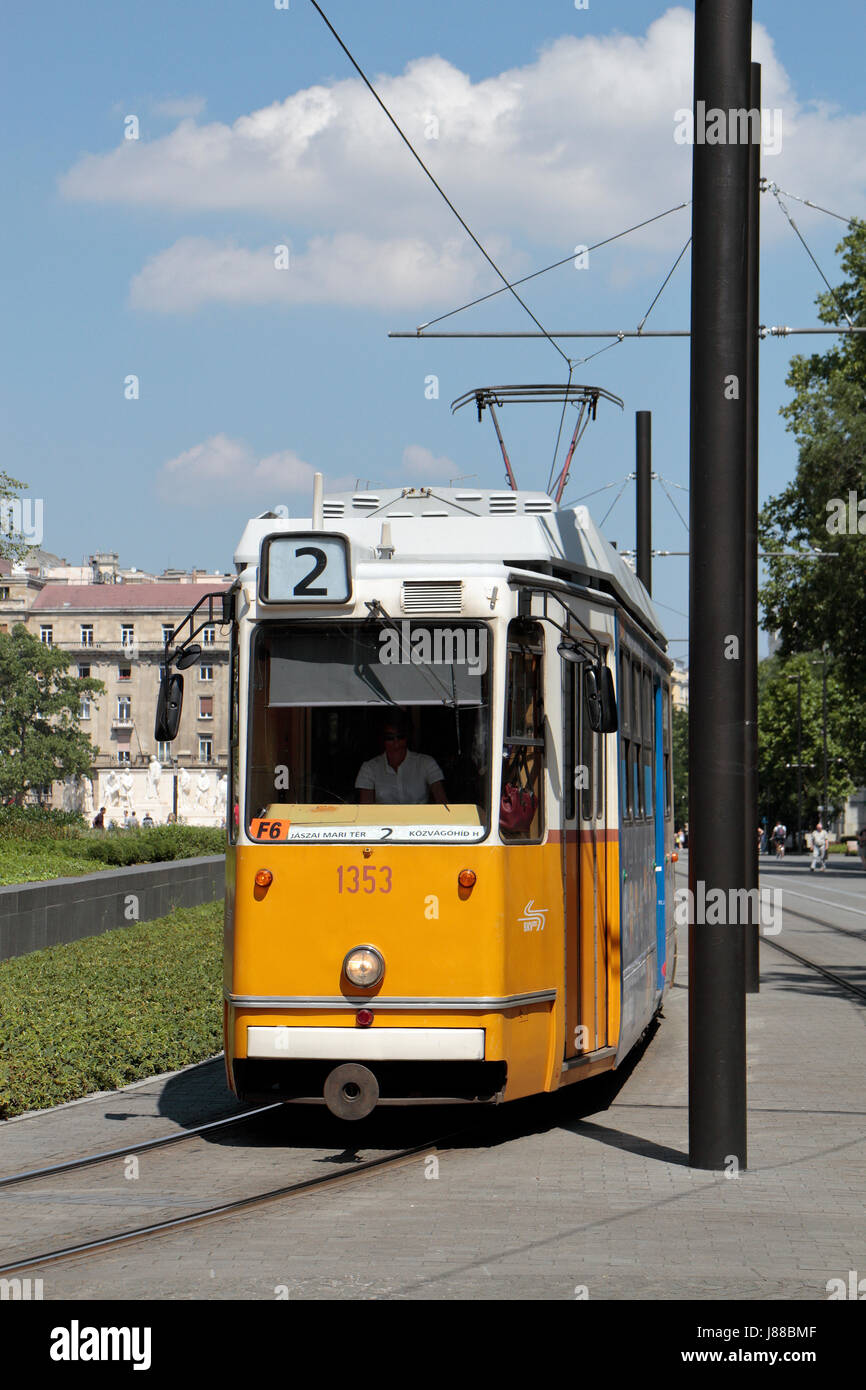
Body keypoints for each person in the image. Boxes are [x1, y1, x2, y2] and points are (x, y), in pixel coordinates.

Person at [355, 712, 447, 806]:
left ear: (407, 737)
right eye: (390, 738)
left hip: (420, 820)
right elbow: (366, 810)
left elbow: (442, 803)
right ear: (382, 739)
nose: (396, 743)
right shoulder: (369, 768)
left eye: (400, 737)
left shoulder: (426, 763)